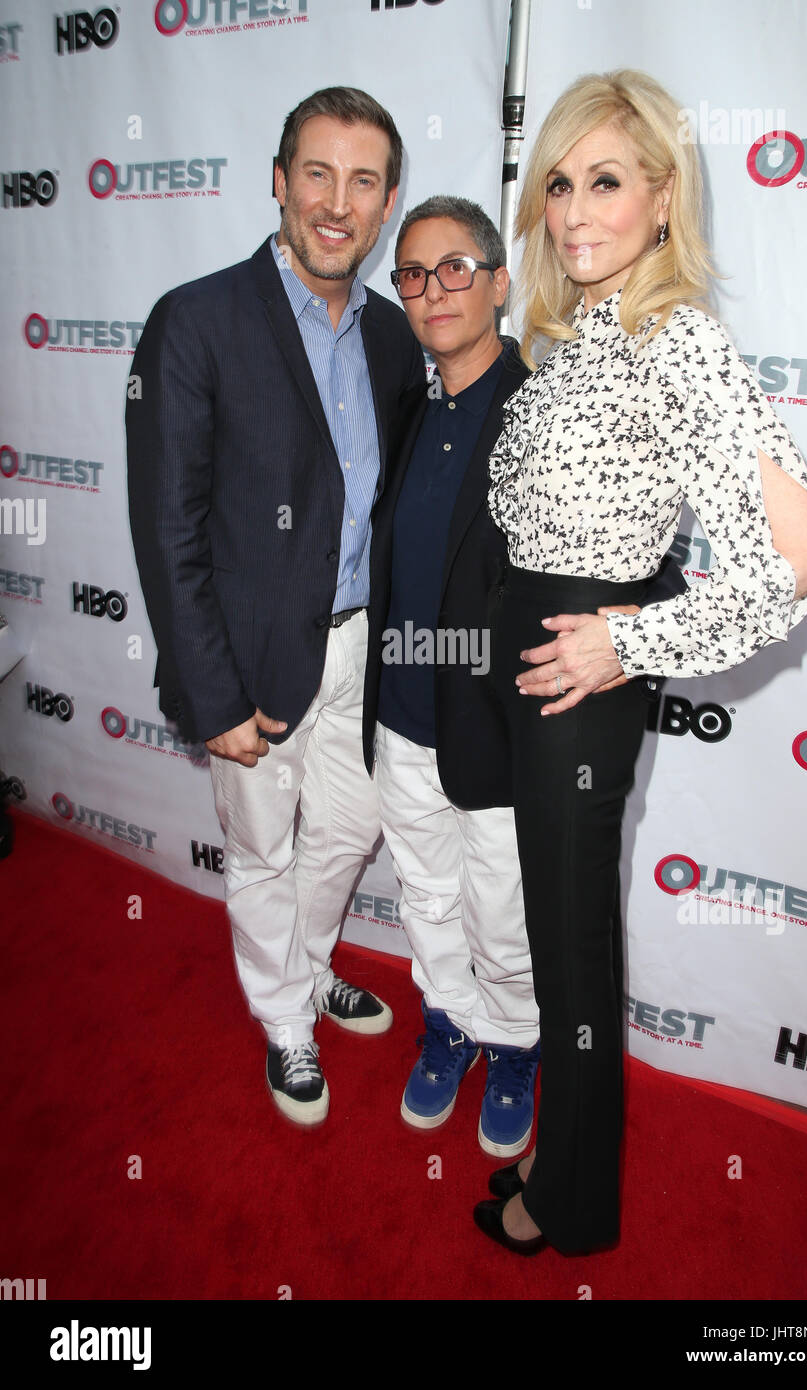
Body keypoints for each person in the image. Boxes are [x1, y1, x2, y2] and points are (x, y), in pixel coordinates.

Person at [474, 70, 807, 1255]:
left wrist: (632, 639)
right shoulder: (578, 330)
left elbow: (803, 553)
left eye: (607, 182)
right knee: (555, 935)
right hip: (537, 663)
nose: (575, 211)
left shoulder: (674, 337)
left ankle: (570, 1207)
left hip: (584, 678)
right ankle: (568, 1162)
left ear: (665, 199)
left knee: (574, 952)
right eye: (560, 184)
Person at [126, 88, 426, 1127]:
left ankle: (302, 965)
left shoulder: (393, 339)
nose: (337, 203)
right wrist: (210, 689)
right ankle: (285, 1019)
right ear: (278, 178)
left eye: (362, 181)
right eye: (317, 173)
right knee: (261, 850)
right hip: (248, 661)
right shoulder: (195, 320)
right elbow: (167, 527)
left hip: (360, 655)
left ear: (389, 201)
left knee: (346, 831)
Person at [362, 197, 541, 1158]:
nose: (433, 291)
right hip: (398, 719)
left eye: (455, 269)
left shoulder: (546, 414)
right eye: (413, 275)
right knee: (425, 899)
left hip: (496, 731)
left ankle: (515, 1044)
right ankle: (450, 1026)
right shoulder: (403, 405)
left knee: (502, 912)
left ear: (498, 283)